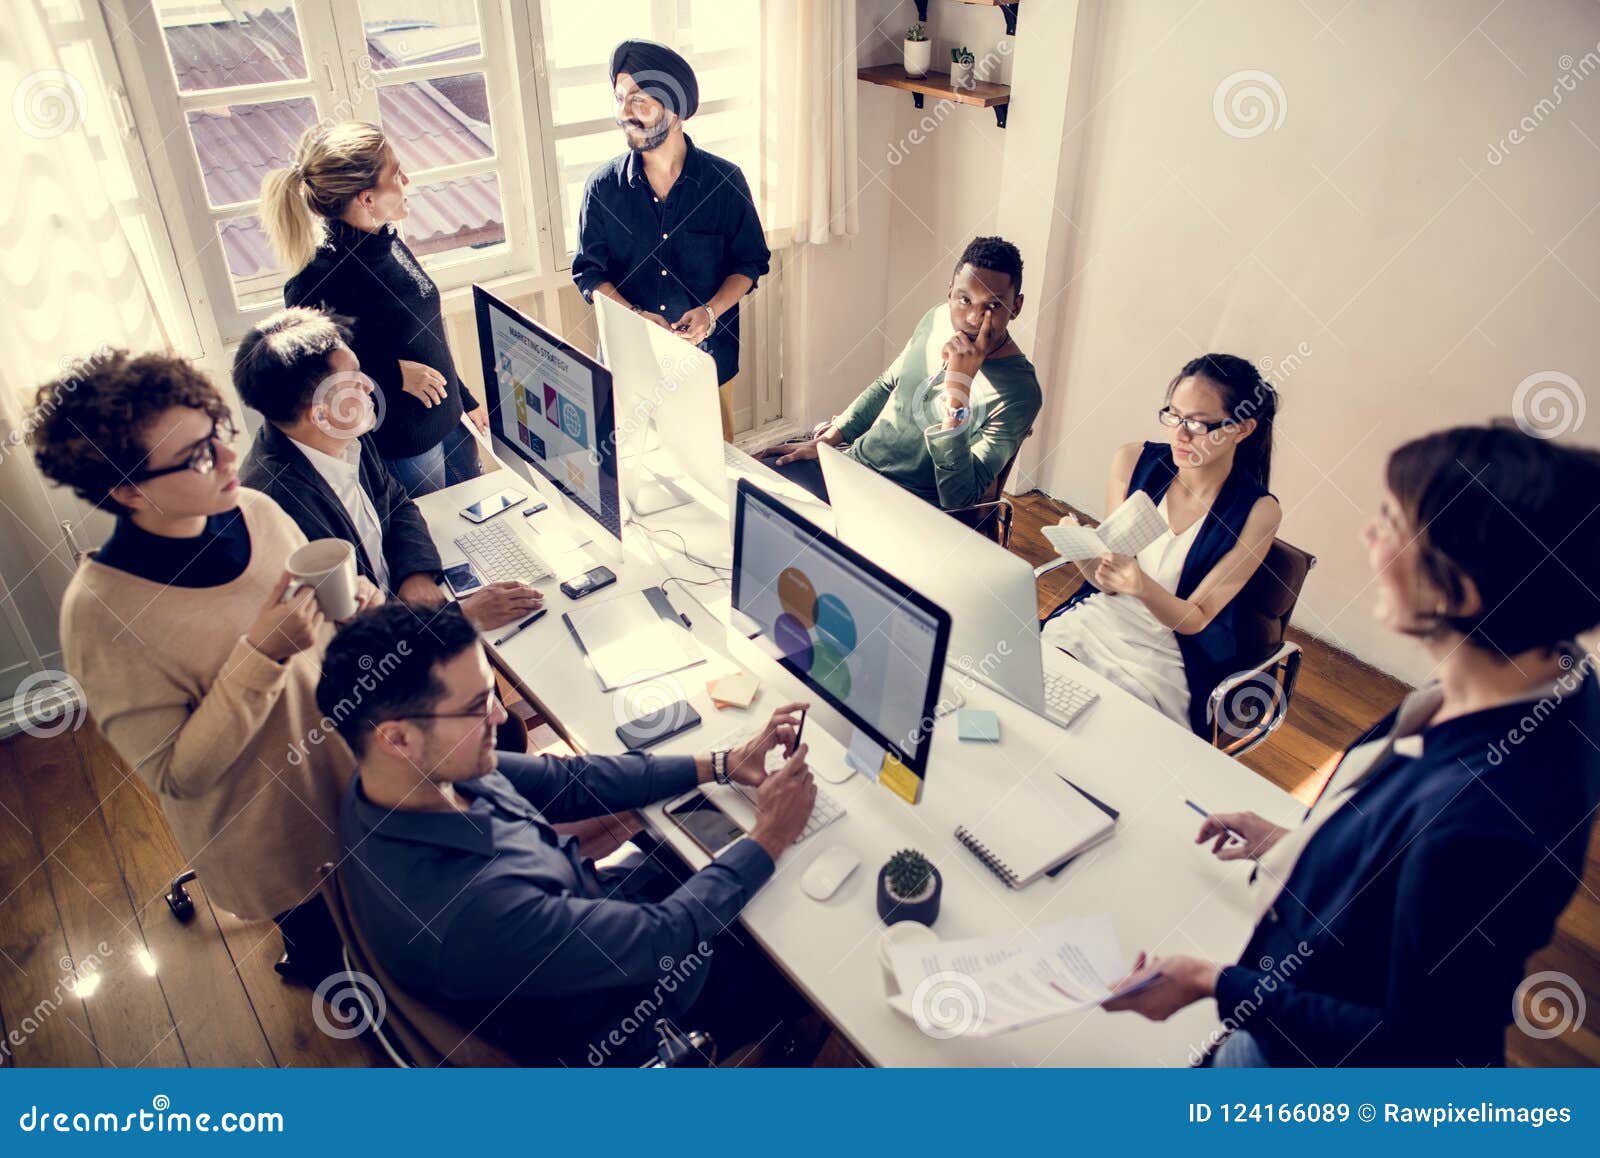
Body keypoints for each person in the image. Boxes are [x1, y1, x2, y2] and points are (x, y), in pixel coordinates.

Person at [1102, 424, 1600, 1067]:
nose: (1369, 536)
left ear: (1460, 591)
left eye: (1393, 522)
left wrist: (1211, 983)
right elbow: (1406, 864)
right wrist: (1308, 843)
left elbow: (1414, 1041)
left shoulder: (1487, 818)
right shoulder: (1530, 676)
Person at [324, 602, 822, 1065]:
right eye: (478, 706)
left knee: (691, 845)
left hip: (589, 915)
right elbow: (661, 941)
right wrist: (769, 837)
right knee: (807, 954)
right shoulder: (472, 912)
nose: (500, 715)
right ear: (397, 737)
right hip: (628, 1007)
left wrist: (720, 763)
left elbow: (570, 782)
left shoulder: (398, 779)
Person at [27, 351, 382, 983]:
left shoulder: (258, 510)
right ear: (127, 489)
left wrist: (348, 612)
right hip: (269, 830)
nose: (227, 456)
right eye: (195, 455)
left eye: (217, 430)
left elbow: (317, 634)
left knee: (382, 926)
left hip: (349, 779)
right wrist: (263, 653)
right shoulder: (100, 619)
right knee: (332, 960)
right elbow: (178, 774)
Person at [234, 307, 542, 631]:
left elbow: (395, 502)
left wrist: (415, 573)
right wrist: (460, 619)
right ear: (320, 415)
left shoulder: (344, 434)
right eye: (353, 379)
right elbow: (348, 641)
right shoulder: (280, 507)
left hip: (400, 607)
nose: (368, 385)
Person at [1040, 355, 1281, 734]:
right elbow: (1107, 580)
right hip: (1097, 619)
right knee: (1033, 693)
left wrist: (1142, 586)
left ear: (1242, 428)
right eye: (1174, 416)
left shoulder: (1258, 512)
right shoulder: (1133, 460)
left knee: (1105, 734)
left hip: (1166, 657)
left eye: (1199, 424)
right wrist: (1082, 550)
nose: (1181, 435)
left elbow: (1195, 619)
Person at [261, 121, 486, 496]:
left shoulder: (387, 241)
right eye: (397, 175)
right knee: (440, 541)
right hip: (407, 445)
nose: (407, 181)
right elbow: (317, 377)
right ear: (366, 199)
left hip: (450, 423)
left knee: (482, 526)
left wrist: (465, 400)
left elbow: (425, 334)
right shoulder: (317, 280)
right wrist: (391, 374)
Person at [572, 39, 771, 441]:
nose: (625, 114)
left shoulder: (725, 182)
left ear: (675, 110)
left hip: (705, 363)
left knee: (717, 474)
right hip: (628, 366)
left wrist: (711, 313)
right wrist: (634, 316)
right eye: (619, 99)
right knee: (631, 482)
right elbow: (589, 275)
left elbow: (749, 264)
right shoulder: (602, 188)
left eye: (639, 101)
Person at [758, 236, 1041, 511]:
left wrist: (958, 391)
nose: (973, 319)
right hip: (854, 469)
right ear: (950, 291)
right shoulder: (937, 318)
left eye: (992, 306)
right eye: (964, 300)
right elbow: (887, 385)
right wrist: (828, 440)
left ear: (1016, 306)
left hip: (910, 506)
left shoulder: (1020, 392)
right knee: (757, 484)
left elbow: (959, 498)